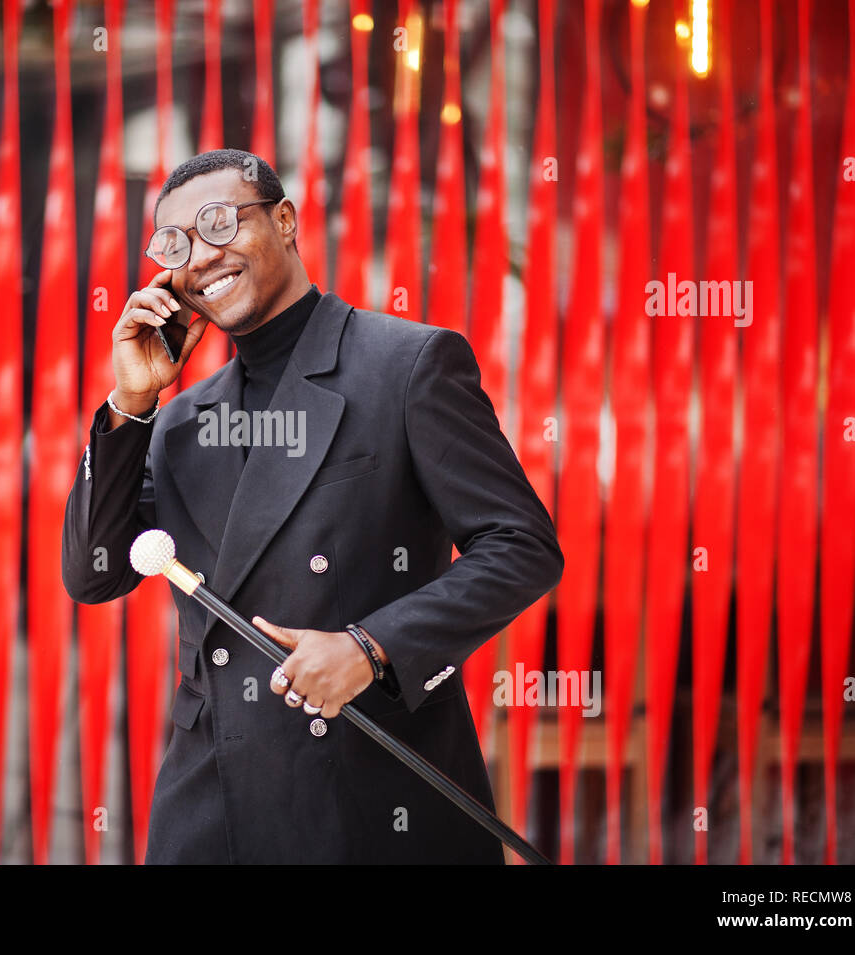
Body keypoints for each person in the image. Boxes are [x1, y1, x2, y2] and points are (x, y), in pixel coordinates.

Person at [61, 148, 563, 864]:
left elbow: (521, 544)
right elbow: (94, 573)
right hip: (212, 805)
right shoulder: (178, 421)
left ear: (287, 220)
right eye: (175, 244)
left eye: (218, 224)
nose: (200, 257)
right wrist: (131, 404)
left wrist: (372, 646)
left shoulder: (406, 364)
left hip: (365, 789)